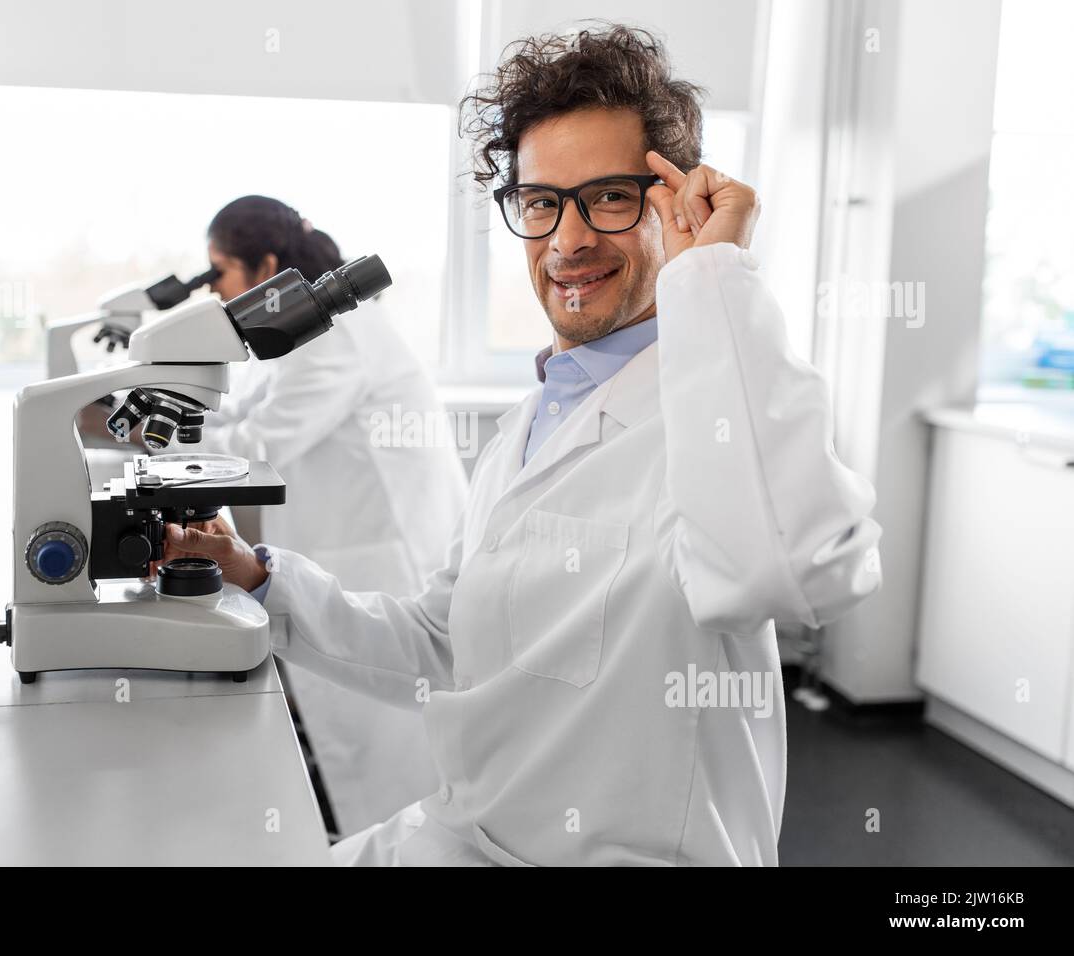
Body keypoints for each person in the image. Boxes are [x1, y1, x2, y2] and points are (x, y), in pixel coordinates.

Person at [162, 24, 883, 865]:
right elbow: (443, 643)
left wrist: (713, 278)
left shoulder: (716, 416)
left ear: (678, 203)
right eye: (542, 204)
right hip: (469, 833)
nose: (568, 241)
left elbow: (798, 569)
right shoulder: (533, 420)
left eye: (610, 197)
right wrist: (259, 576)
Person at [161, 196, 468, 836]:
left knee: (393, 767)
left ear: (265, 265)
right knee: (359, 754)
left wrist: (152, 438)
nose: (214, 290)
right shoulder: (304, 338)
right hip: (356, 555)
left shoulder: (339, 337)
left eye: (219, 272)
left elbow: (255, 451)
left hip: (389, 567)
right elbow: (241, 419)